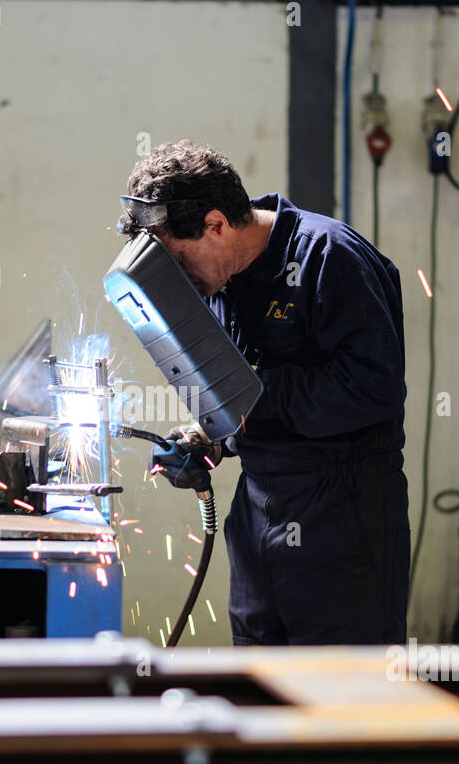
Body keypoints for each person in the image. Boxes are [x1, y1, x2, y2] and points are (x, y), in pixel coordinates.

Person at [118, 140, 409, 644]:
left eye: (179, 262)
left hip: (343, 519)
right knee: (259, 691)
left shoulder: (328, 255)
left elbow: (374, 388)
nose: (180, 282)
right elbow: (242, 393)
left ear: (215, 224)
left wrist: (250, 394)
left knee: (342, 703)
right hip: (257, 519)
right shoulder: (220, 278)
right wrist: (210, 438)